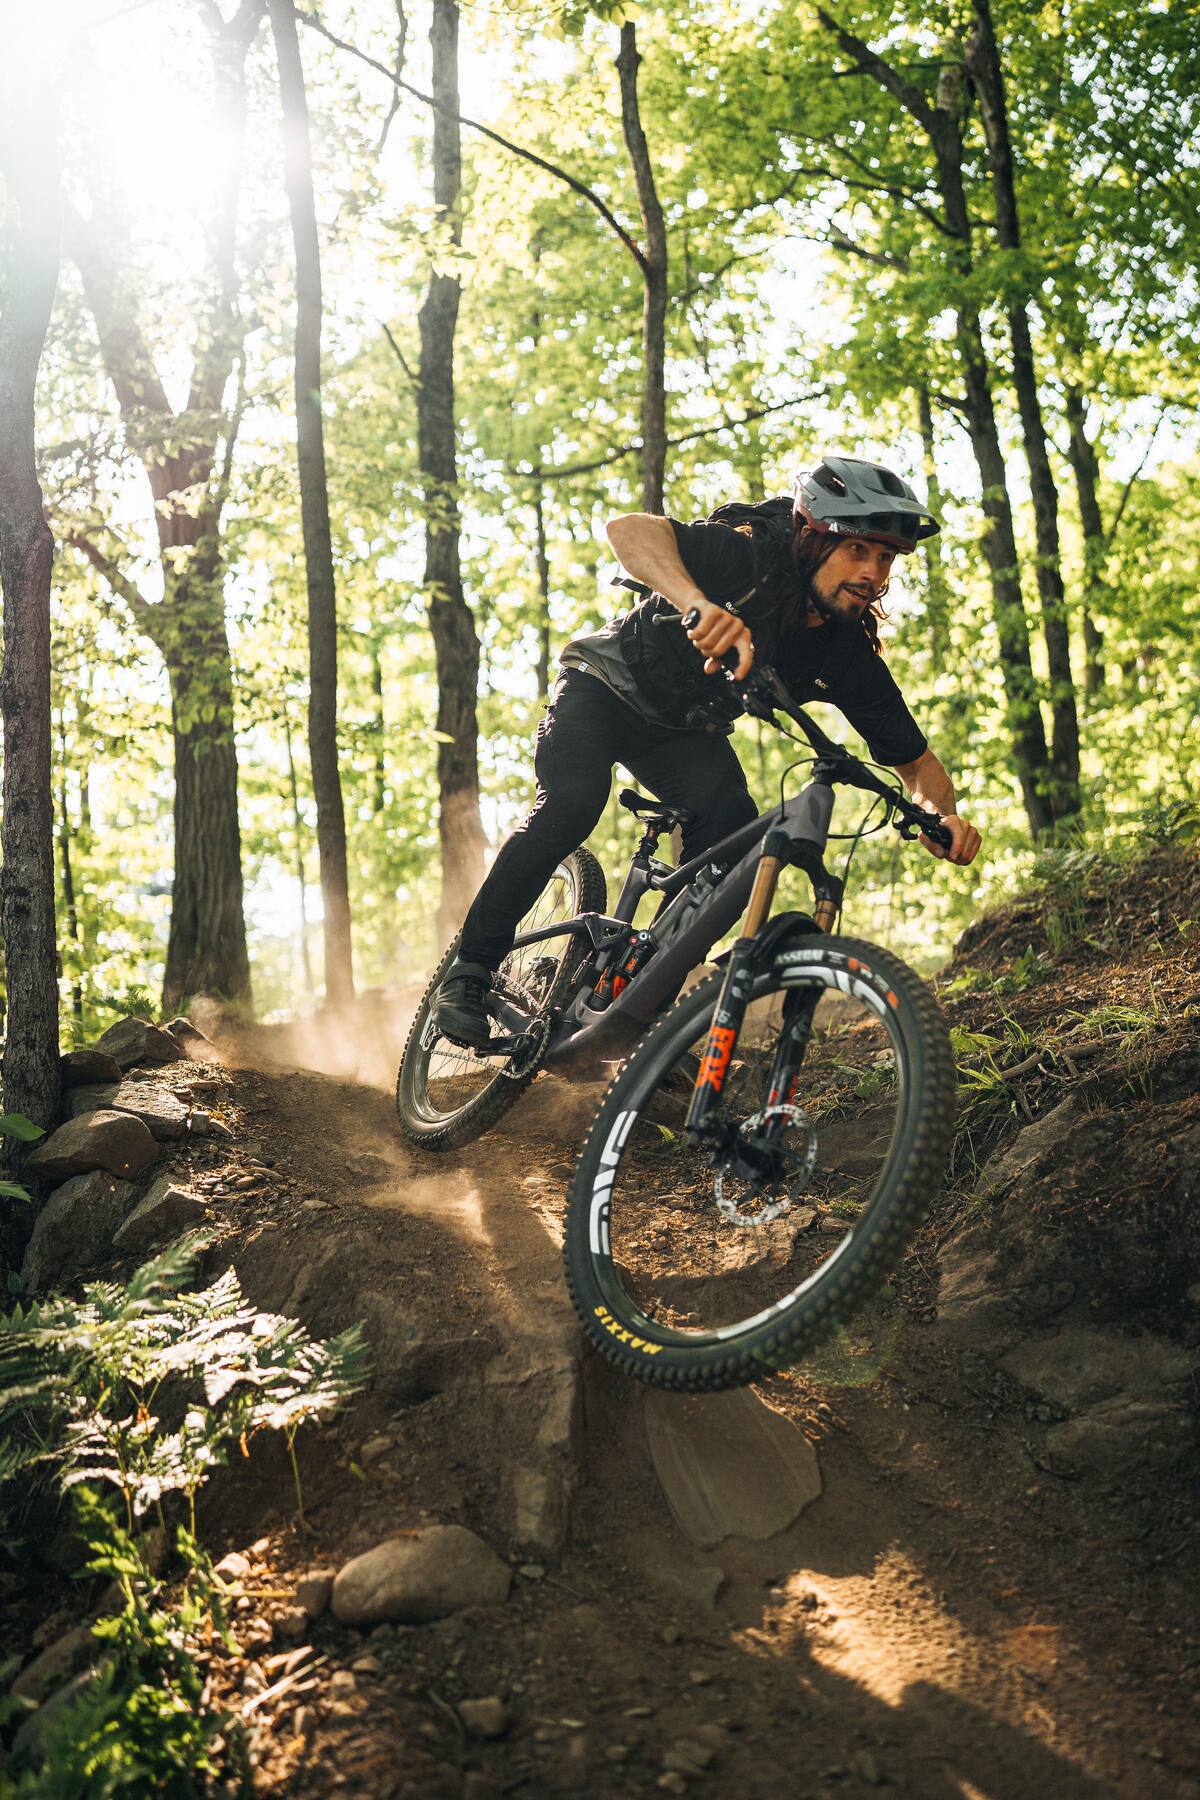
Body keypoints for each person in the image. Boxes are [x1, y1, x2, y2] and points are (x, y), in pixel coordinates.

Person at [433, 453, 983, 1048]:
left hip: (683, 733)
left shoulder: (846, 651)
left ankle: (630, 1016)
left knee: (733, 836)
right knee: (571, 802)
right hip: (603, 687)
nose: (873, 573)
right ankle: (471, 971)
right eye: (858, 550)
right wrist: (696, 601)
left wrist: (938, 812)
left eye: (885, 559)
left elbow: (918, 765)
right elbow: (629, 532)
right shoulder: (748, 555)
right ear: (813, 538)